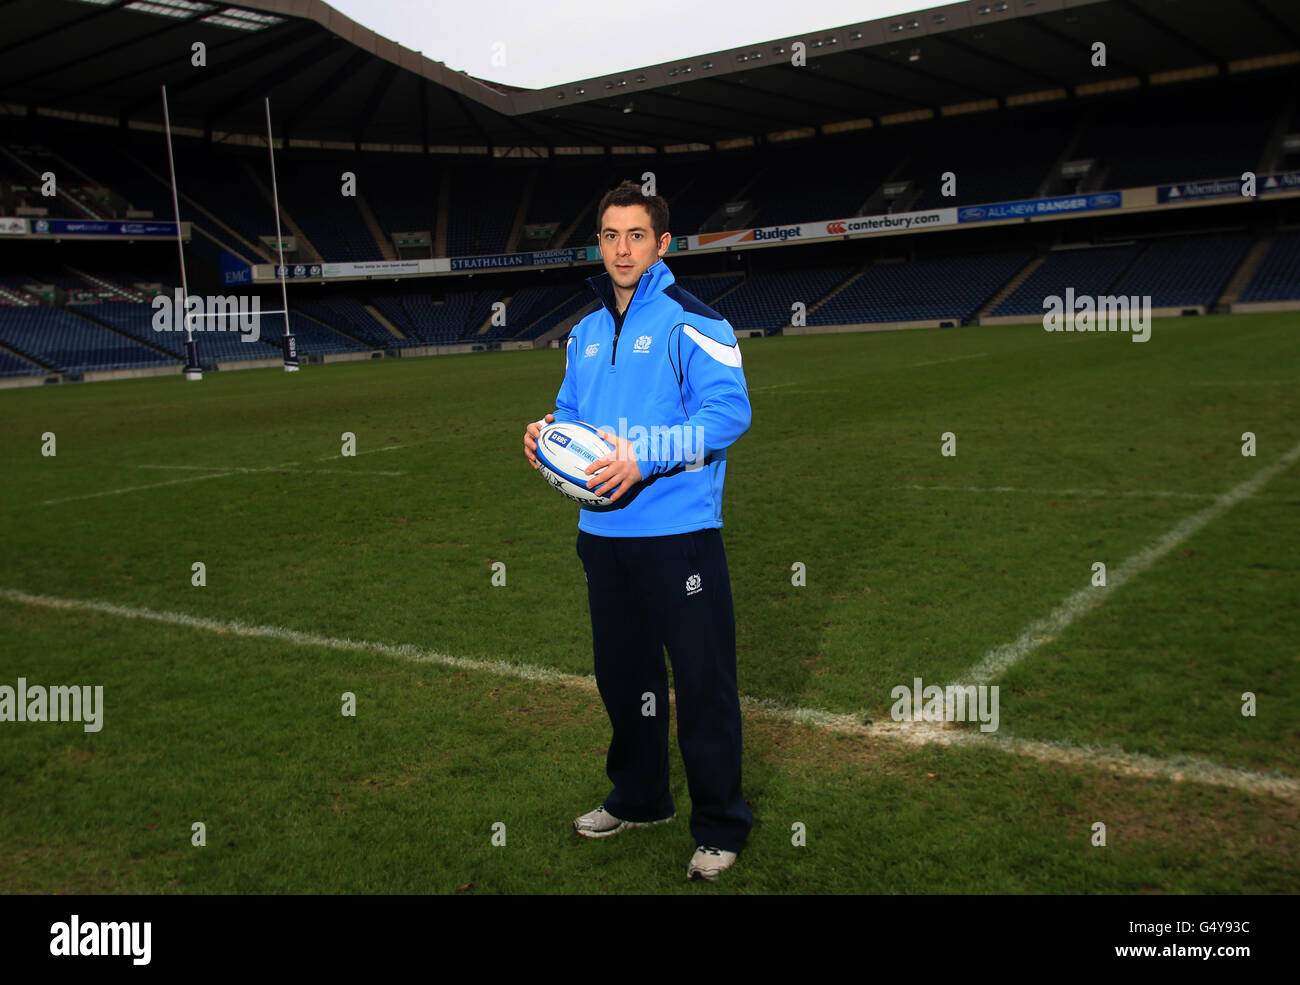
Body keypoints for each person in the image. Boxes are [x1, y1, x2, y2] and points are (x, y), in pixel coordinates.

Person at [523, 179, 754, 881]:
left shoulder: (695, 321)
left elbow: (728, 416)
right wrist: (544, 432)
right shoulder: (586, 331)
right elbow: (570, 411)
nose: (622, 249)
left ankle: (720, 824)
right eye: (610, 235)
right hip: (603, 536)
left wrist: (644, 455)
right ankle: (639, 796)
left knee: (703, 681)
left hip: (678, 534)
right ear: (599, 243)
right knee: (624, 679)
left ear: (662, 245)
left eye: (636, 236)